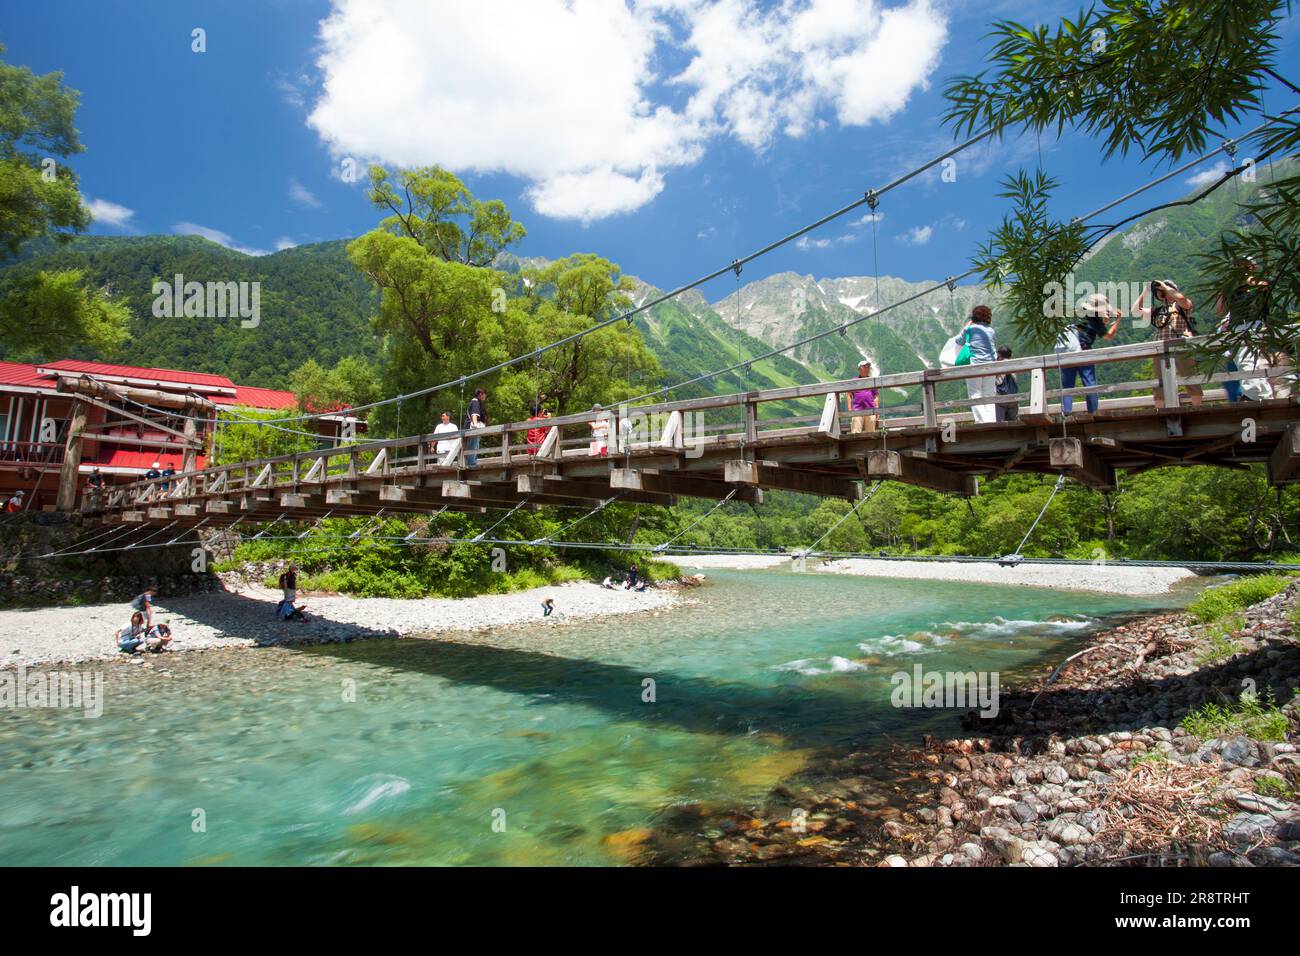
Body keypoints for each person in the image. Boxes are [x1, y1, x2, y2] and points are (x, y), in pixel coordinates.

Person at [1133, 279, 1201, 409]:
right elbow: (1135, 311)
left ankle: (1197, 409)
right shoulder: (1158, 311)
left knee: (1190, 378)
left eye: (1164, 290)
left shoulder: (1181, 306)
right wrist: (1146, 291)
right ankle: (1161, 410)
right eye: (1159, 292)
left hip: (1181, 346)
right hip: (1160, 350)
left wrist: (1166, 286)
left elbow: (1182, 299)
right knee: (1160, 383)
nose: (1162, 292)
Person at [1216, 258, 1274, 402]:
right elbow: (1220, 312)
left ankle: (1253, 397)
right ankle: (1263, 398)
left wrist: (1245, 280)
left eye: (1245, 266)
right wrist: (1224, 289)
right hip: (1237, 329)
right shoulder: (1232, 290)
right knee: (1247, 365)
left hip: (1256, 326)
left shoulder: (1260, 283)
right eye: (1238, 267)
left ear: (1253, 267)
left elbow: (1264, 287)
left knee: (1249, 364)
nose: (1241, 269)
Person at [1062, 293, 1122, 415]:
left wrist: (1103, 320)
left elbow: (1084, 328)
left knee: (1067, 385)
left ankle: (1066, 411)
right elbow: (1108, 336)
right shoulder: (1095, 321)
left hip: (1067, 351)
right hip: (1083, 353)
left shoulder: (1077, 314)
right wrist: (1117, 321)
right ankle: (1092, 411)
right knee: (1089, 383)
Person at [962, 305, 998, 423]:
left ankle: (982, 421)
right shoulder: (991, 331)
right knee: (989, 394)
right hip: (990, 366)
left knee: (975, 394)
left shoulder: (971, 329)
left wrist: (966, 326)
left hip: (975, 365)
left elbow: (959, 341)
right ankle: (992, 421)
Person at [845, 358, 879, 433]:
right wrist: (850, 409)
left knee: (871, 433)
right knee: (855, 433)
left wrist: (877, 411)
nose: (867, 369)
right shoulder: (854, 381)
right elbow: (849, 395)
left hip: (870, 409)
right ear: (859, 369)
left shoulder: (872, 380)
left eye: (868, 367)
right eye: (865, 367)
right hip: (857, 410)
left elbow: (876, 397)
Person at [994, 346, 1020, 422]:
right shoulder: (1013, 364)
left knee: (1000, 424)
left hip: (1001, 399)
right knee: (1015, 423)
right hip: (1013, 398)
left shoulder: (996, 365)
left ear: (999, 354)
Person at [464, 388, 487, 466]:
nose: (485, 396)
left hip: (470, 428)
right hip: (472, 428)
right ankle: (472, 464)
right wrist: (476, 426)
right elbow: (474, 415)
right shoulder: (475, 402)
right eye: (484, 394)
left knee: (474, 445)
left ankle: (472, 462)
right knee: (473, 445)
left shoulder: (475, 402)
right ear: (481, 394)